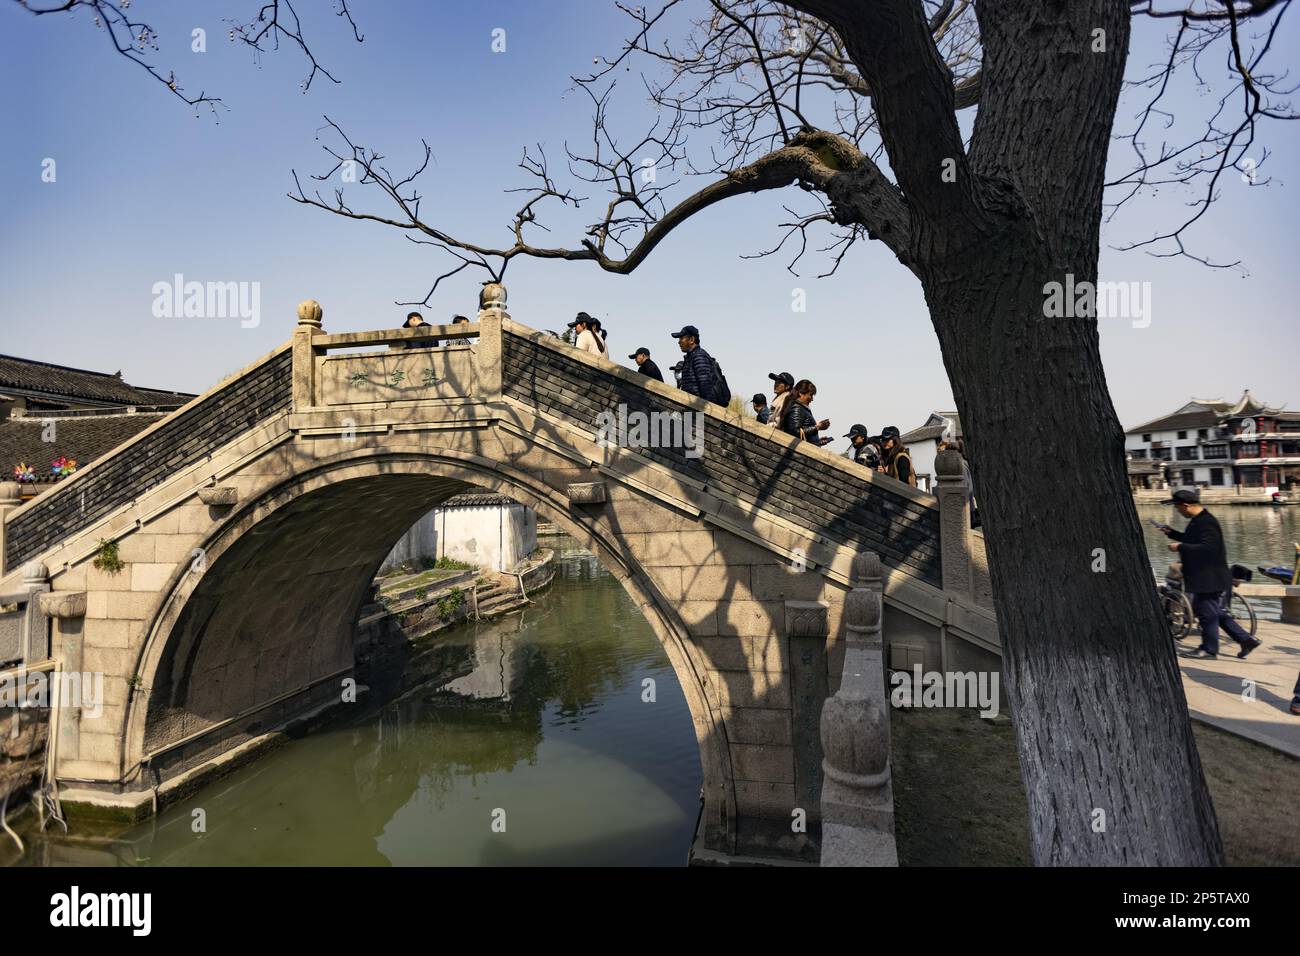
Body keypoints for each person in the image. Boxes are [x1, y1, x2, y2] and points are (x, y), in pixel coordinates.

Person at [1156, 488, 1262, 659]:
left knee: (1206, 612)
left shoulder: (1206, 522)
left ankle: (1209, 649)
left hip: (1209, 576)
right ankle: (1246, 640)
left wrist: (1180, 547)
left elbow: (1208, 548)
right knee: (1214, 611)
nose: (1177, 511)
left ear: (1186, 505)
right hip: (1204, 575)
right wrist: (1172, 533)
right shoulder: (1199, 520)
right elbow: (1195, 541)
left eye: (1177, 508)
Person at [670, 324, 717, 402]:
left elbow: (706, 387)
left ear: (692, 340)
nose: (679, 342)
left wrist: (702, 411)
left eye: (682, 338)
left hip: (697, 409)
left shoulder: (699, 356)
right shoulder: (691, 357)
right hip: (692, 406)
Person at [781, 379, 831, 445]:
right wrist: (817, 427)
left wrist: (817, 441)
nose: (812, 399)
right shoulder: (797, 408)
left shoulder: (801, 408)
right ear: (801, 393)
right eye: (810, 395)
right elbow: (795, 432)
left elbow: (803, 434)